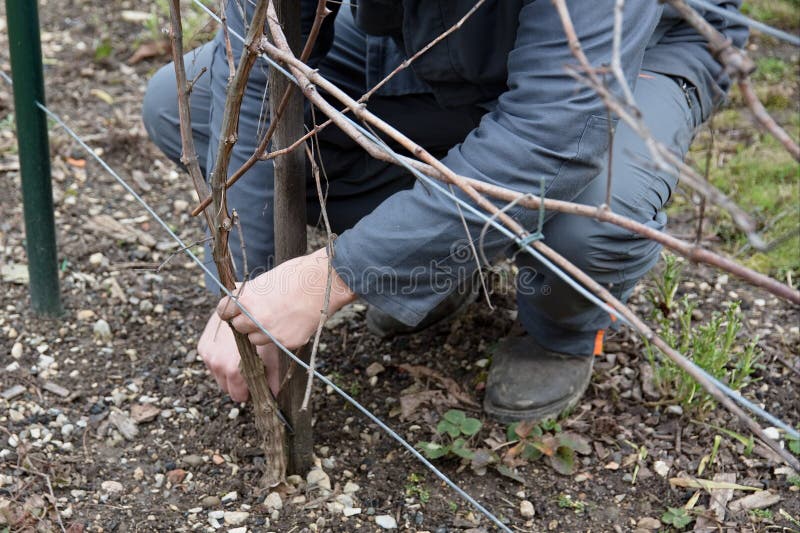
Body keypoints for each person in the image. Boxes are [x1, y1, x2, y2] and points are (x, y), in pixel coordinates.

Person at [143, 1, 746, 422]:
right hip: (426, 27)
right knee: (184, 104)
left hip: (635, 43)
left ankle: (559, 333)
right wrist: (251, 287)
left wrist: (331, 277)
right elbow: (254, 75)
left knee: (592, 216)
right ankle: (436, 256)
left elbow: (554, 136)